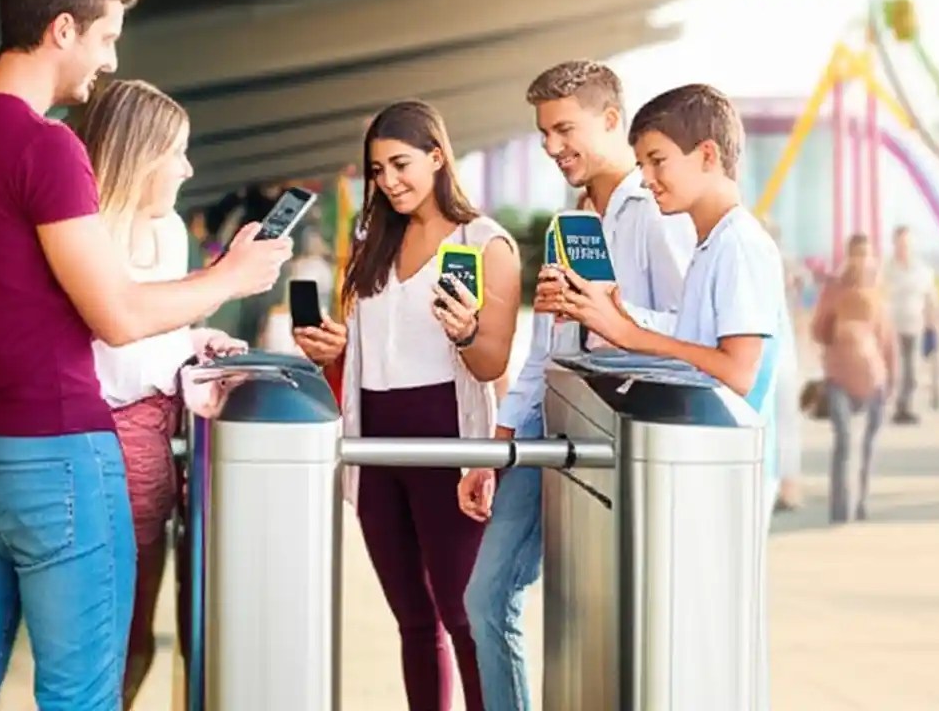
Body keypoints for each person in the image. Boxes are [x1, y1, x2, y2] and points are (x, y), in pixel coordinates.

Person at [0, 0, 290, 708]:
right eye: (106, 37)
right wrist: (228, 277)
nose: (110, 60)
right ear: (63, 29)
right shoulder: (47, 147)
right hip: (57, 455)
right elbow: (114, 313)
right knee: (82, 695)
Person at [458, 60, 695, 711]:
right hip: (547, 428)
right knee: (486, 596)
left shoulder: (654, 216)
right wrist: (498, 447)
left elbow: (698, 335)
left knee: (591, 611)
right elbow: (548, 346)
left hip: (611, 433)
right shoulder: (575, 218)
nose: (553, 146)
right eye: (543, 134)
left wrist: (611, 316)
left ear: (611, 120)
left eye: (565, 129)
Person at [551, 82, 789, 711]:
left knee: (715, 653)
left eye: (658, 161)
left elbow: (737, 369)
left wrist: (628, 332)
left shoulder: (738, 243)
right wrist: (616, 316)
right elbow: (694, 341)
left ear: (707, 155)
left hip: (727, 472)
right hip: (702, 469)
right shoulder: (712, 244)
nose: (648, 177)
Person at [292, 100, 520, 711]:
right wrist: (334, 350)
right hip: (373, 447)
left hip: (448, 446)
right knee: (413, 620)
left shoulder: (486, 242)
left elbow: (493, 363)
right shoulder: (372, 244)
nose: (388, 181)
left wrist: (467, 331)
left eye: (400, 164)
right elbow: (367, 361)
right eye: (376, 169)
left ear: (438, 157)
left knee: (463, 613)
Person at [75, 78, 250, 707]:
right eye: (176, 151)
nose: (187, 166)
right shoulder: (79, 232)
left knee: (139, 631)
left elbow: (154, 331)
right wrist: (222, 284)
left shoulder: (171, 229)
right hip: (92, 445)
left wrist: (193, 342)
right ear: (141, 155)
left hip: (155, 442)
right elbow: (114, 340)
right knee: (95, 632)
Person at [812, 235, 896, 522]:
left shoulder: (878, 291)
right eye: (857, 253)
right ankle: (840, 509)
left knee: (868, 445)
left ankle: (862, 502)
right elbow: (818, 331)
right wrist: (837, 325)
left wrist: (892, 379)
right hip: (839, 374)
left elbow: (887, 338)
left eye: (867, 254)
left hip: (874, 377)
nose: (862, 260)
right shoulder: (834, 290)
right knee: (845, 441)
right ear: (848, 256)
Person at [882, 224, 937, 424]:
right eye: (899, 243)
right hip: (891, 326)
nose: (903, 247)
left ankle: (904, 407)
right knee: (894, 369)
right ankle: (888, 404)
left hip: (914, 325)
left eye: (906, 243)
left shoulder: (922, 270)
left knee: (912, 370)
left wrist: (931, 328)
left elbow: (930, 298)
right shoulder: (885, 269)